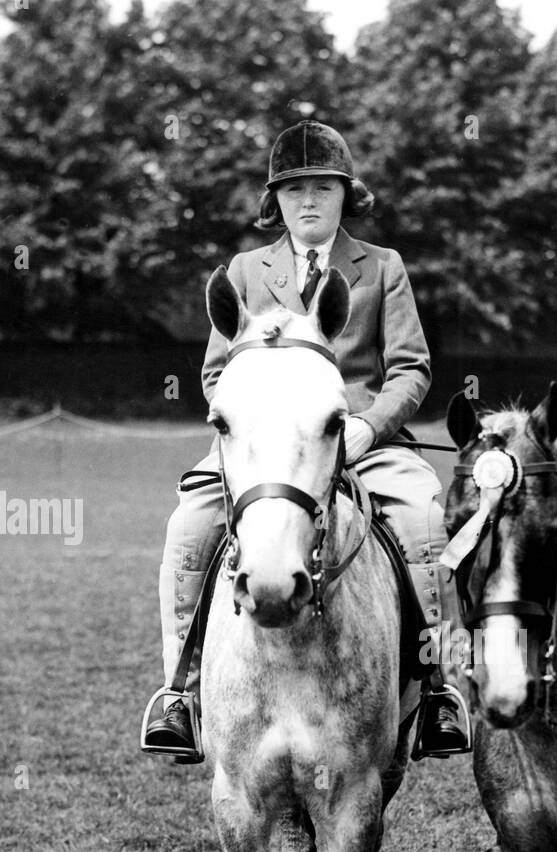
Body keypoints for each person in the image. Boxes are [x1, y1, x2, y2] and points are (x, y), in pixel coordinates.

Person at [142, 119, 469, 761]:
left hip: (366, 441)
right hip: (265, 449)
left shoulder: (382, 267)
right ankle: (179, 695)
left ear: (348, 193)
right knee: (188, 525)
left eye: (324, 187)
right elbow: (214, 373)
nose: (310, 201)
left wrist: (369, 423)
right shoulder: (243, 270)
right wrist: (257, 425)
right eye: (295, 191)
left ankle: (435, 692)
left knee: (427, 519)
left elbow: (411, 367)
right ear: (276, 202)